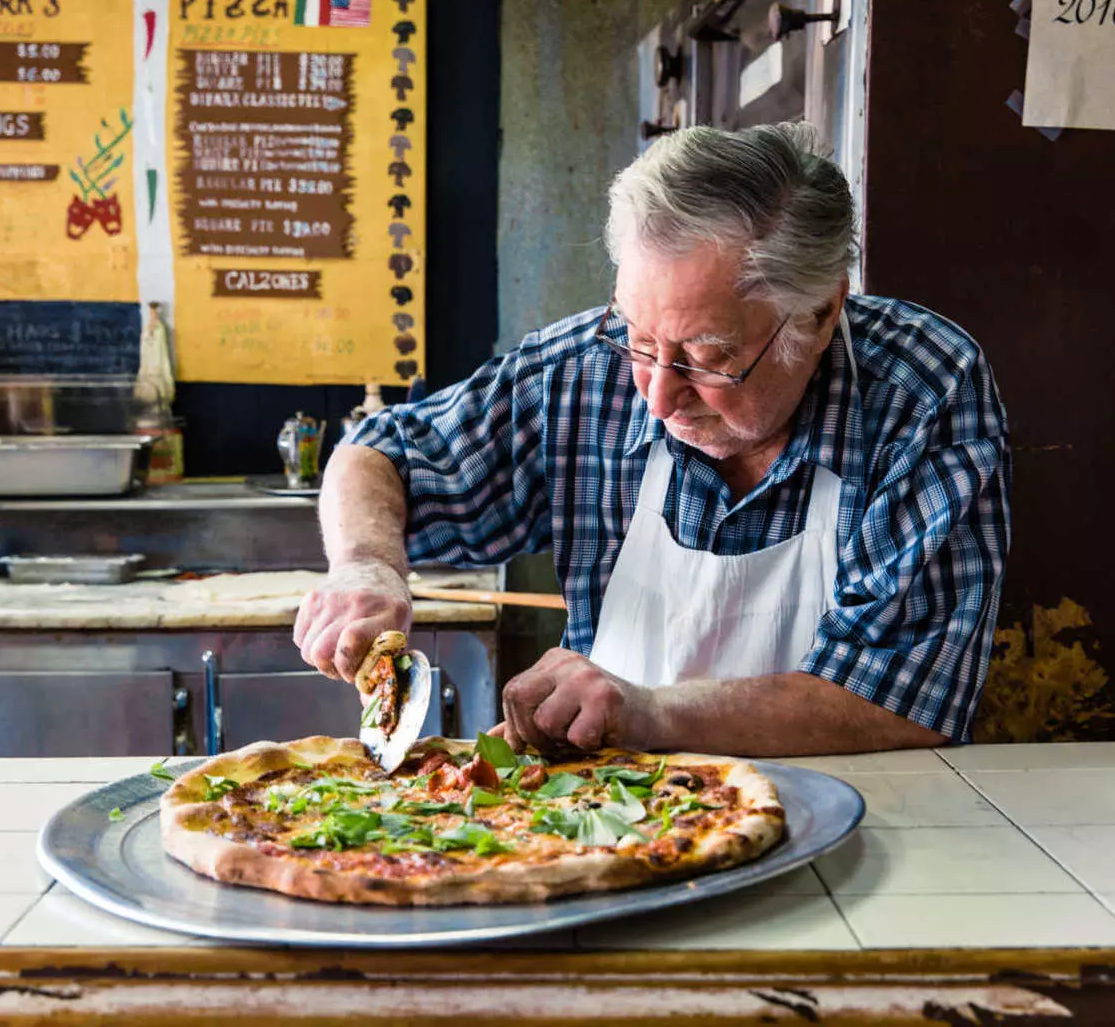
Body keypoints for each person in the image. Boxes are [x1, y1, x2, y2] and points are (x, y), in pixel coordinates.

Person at [294, 122, 1011, 757]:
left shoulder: (920, 389)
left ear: (822, 315)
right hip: (610, 825)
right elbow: (382, 451)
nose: (658, 394)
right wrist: (364, 565)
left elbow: (904, 698)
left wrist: (648, 711)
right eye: (638, 340)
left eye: (709, 358)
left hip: (862, 830)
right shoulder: (579, 371)